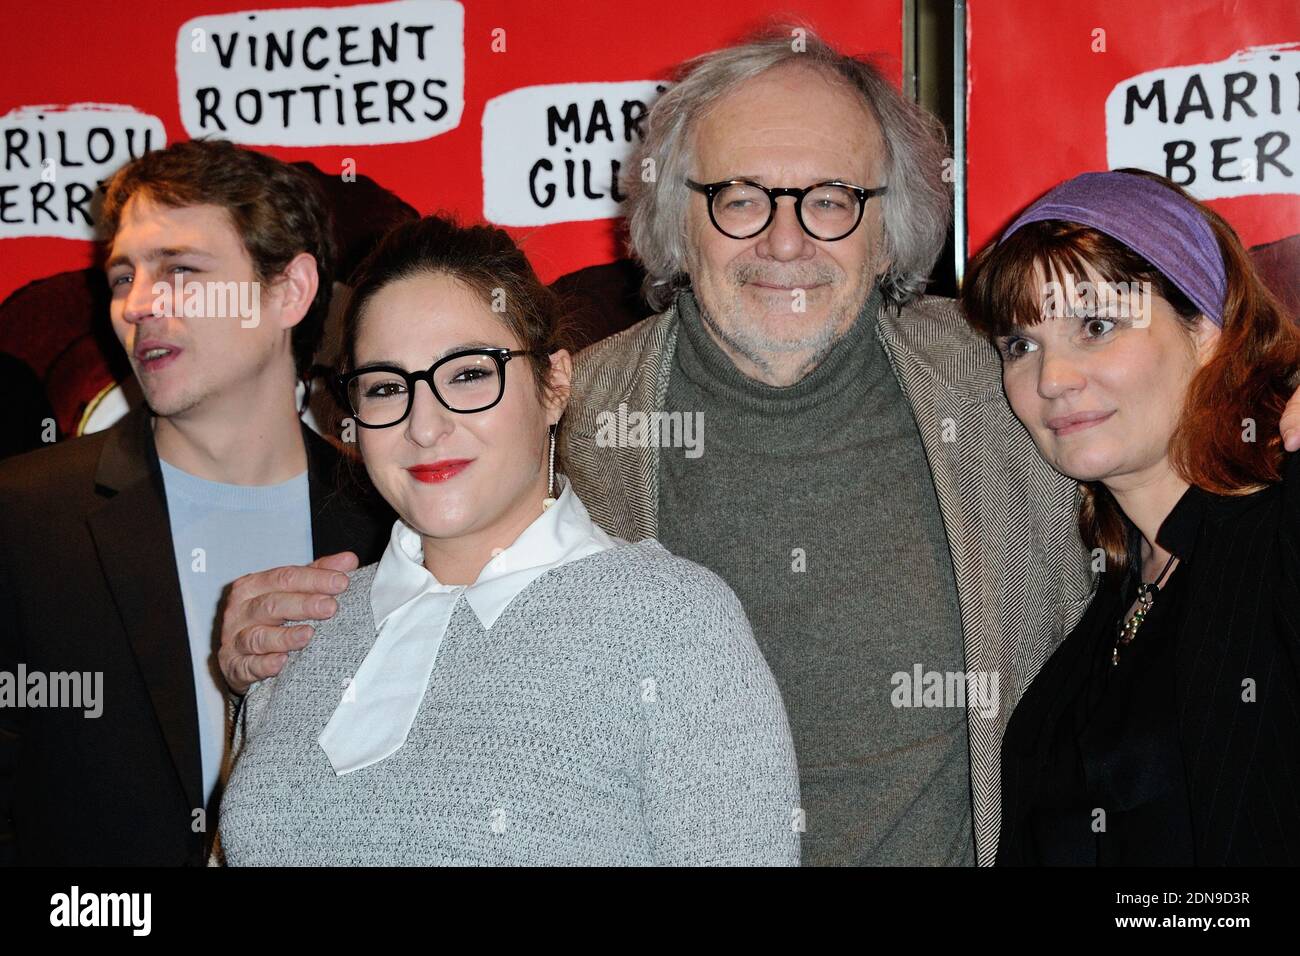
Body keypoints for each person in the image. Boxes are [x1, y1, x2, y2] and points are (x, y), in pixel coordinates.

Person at [216, 30, 1300, 866]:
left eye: (831, 200)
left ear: (891, 230)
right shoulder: (559, 412)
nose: (784, 240)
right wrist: (274, 635)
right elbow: (409, 556)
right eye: (736, 198)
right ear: (675, 222)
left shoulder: (1004, 380)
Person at [213, 215, 800, 866]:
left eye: (467, 374)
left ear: (554, 384)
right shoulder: (304, 626)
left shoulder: (672, 622)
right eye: (385, 388)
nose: (425, 425)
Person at [0, 139, 392, 865]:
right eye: (122, 278)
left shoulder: (390, 521)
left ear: (288, 291)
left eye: (181, 270)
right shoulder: (23, 519)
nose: (137, 306)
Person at [960, 169, 1300, 865]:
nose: (1051, 378)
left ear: (1206, 326)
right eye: (1020, 345)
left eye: (1095, 325)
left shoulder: (1283, 530)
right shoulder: (1117, 592)